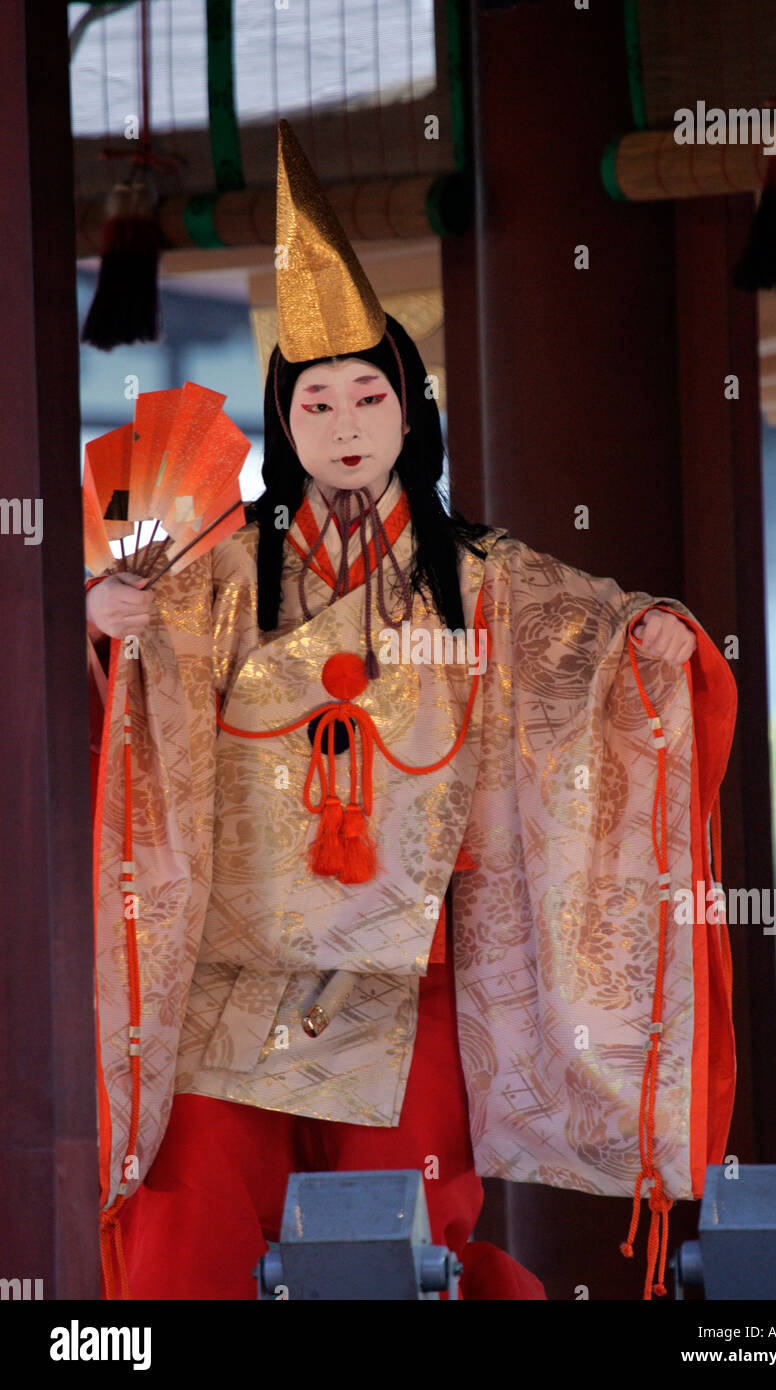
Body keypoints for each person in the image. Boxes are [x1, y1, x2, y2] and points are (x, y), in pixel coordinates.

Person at [85, 121, 737, 1301]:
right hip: (236, 964)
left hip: (401, 960)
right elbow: (138, 693)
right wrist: (104, 619)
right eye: (315, 402)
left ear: (407, 410)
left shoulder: (480, 573)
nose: (342, 424)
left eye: (365, 395)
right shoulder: (225, 570)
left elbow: (574, 637)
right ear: (286, 425)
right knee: (196, 1224)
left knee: (400, 1228)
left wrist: (642, 644)